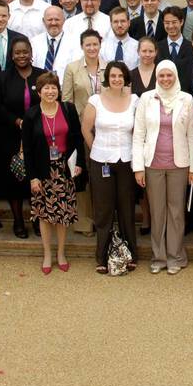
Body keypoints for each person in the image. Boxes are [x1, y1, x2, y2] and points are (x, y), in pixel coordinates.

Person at [132, 60, 193, 274]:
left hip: (179, 165)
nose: (166, 79)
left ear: (175, 76)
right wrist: (138, 167)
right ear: (157, 77)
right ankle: (158, 257)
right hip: (153, 164)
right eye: (162, 76)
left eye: (169, 75)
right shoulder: (146, 98)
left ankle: (175, 256)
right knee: (157, 212)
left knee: (176, 211)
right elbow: (139, 133)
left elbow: (192, 135)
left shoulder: (186, 99)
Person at [22, 71, 85, 273]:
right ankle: (48, 254)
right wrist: (33, 177)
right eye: (46, 88)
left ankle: (61, 252)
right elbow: (28, 149)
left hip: (63, 169)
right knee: (45, 214)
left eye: (53, 87)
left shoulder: (68, 109)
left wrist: (79, 163)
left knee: (63, 213)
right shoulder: (31, 114)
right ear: (39, 92)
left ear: (58, 90)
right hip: (42, 170)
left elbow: (77, 138)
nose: (50, 91)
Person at [82, 61, 139, 274]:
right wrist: (97, 149)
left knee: (126, 209)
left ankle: (130, 254)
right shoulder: (95, 100)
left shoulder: (134, 100)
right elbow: (86, 129)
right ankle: (102, 256)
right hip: (101, 162)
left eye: (120, 76)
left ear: (125, 78)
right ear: (108, 78)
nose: (116, 79)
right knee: (104, 211)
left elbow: (138, 130)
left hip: (126, 161)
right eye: (113, 76)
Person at [0, 35, 43, 239]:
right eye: (17, 52)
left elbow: (50, 98)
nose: (22, 55)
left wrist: (34, 123)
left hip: (38, 137)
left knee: (36, 179)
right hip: (11, 137)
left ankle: (37, 219)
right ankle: (19, 221)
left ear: (31, 53)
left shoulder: (41, 75)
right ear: (11, 55)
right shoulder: (2, 78)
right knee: (15, 180)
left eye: (25, 52)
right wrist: (17, 121)